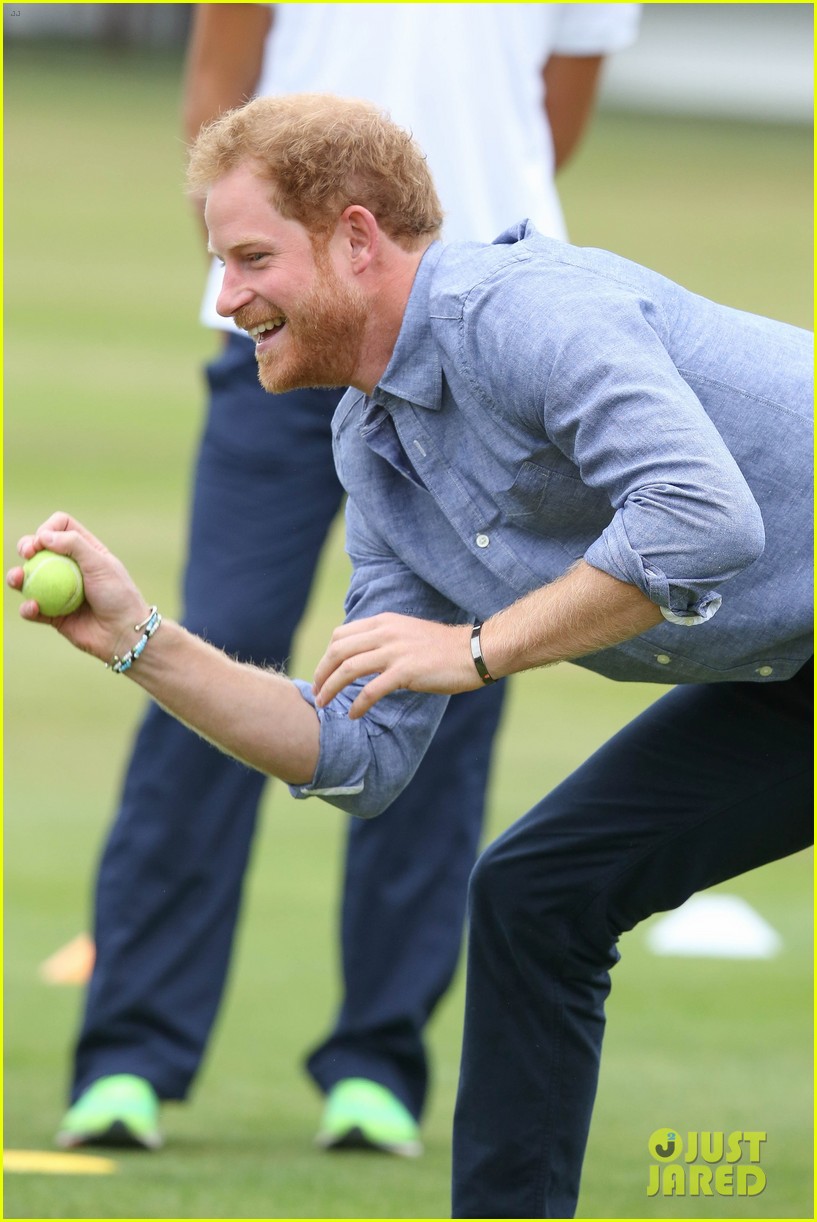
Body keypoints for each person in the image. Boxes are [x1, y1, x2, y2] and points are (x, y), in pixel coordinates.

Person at [11, 94, 812, 1218]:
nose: (226, 296)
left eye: (250, 256)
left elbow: (702, 518)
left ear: (354, 237)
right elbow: (360, 755)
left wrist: (477, 647)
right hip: (792, 672)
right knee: (538, 892)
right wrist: (140, 640)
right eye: (217, 263)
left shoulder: (521, 309)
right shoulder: (376, 441)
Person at [50, 2, 641, 1156]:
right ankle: (129, 1054)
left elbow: (549, 120)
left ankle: (376, 1064)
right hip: (275, 340)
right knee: (205, 646)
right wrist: (273, 268)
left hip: (474, 341)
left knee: (441, 690)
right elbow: (217, 94)